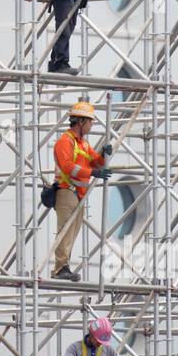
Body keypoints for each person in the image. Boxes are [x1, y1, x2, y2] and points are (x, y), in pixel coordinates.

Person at [50, 101, 113, 281]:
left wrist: (104, 155)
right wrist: (92, 172)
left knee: (72, 232)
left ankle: (63, 267)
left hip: (78, 194)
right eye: (90, 121)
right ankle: (60, 268)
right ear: (80, 121)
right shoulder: (65, 141)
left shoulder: (83, 144)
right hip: (66, 191)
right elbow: (68, 167)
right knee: (65, 231)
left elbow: (97, 162)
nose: (91, 125)